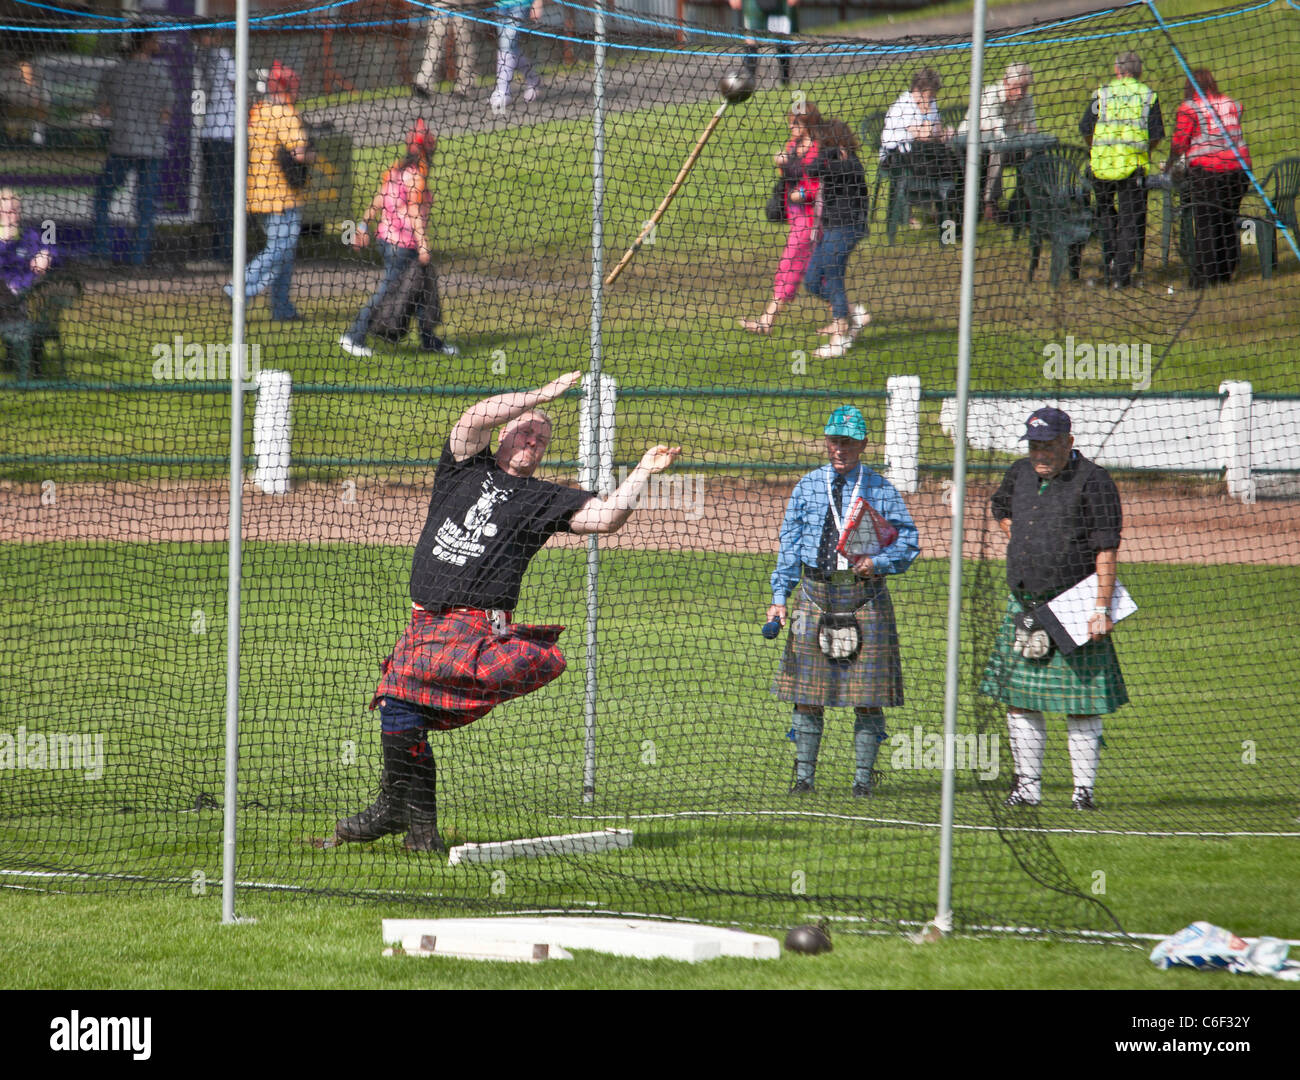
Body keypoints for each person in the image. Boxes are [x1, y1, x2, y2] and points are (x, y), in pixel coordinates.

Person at [334, 373, 682, 851]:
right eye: (525, 431)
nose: (532, 441)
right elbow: (473, 416)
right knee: (401, 709)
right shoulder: (461, 466)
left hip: (474, 625)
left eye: (541, 439)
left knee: (400, 693)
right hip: (426, 621)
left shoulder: (545, 497)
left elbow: (606, 518)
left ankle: (396, 810)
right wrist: (539, 398)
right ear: (504, 433)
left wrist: (643, 470)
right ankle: (416, 829)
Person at [979, 407, 1127, 811]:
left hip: (1075, 604)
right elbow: (1001, 508)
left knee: (1082, 704)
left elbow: (1106, 547)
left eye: (1048, 445)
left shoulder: (1094, 481)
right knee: (1020, 699)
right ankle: (1027, 788)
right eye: (1034, 445)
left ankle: (1083, 791)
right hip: (1025, 603)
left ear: (1068, 442)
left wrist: (1101, 607)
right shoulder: (1019, 472)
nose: (1039, 453)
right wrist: (1026, 537)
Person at [767, 405, 919, 797]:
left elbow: (909, 541)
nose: (841, 449)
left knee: (868, 698)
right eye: (835, 441)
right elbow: (789, 543)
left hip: (865, 597)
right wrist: (779, 596)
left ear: (864, 444)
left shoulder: (881, 488)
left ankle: (863, 782)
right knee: (805, 695)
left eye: (849, 442)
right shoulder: (808, 485)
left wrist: (879, 561)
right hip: (813, 595)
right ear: (826, 441)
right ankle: (803, 779)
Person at [340, 119, 457, 358]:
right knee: (388, 292)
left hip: (387, 241)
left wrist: (362, 227)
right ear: (428, 150)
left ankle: (430, 341)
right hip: (403, 246)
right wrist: (424, 245)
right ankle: (353, 336)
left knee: (424, 292)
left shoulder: (396, 169)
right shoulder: (416, 176)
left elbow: (379, 199)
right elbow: (414, 212)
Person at [226, 61, 312, 322]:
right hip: (282, 196)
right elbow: (299, 154)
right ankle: (238, 288)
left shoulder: (258, 110)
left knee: (284, 253)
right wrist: (312, 152)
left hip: (257, 193)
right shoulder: (286, 114)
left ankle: (281, 308)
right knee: (280, 250)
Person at [738, 102, 826, 335]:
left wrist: (803, 194)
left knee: (791, 264)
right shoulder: (792, 145)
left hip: (812, 217)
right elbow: (786, 177)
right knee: (817, 271)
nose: (791, 126)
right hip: (795, 214)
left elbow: (820, 185)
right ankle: (850, 315)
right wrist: (780, 163)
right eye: (790, 121)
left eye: (796, 122)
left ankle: (767, 321)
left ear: (808, 124)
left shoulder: (819, 150)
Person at [1080, 50, 1164, 289]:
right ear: (1139, 72)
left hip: (1101, 165)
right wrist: (1146, 150)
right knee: (1129, 221)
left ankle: (1109, 267)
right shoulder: (1148, 96)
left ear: (1117, 70)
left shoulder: (1102, 94)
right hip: (1131, 166)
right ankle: (1121, 277)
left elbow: (1085, 126)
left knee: (1106, 215)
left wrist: (1095, 148)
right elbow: (1157, 134)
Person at [91, 30, 173, 266]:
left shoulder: (115, 73)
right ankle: (137, 259)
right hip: (151, 147)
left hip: (122, 144)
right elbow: (166, 115)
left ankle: (101, 253)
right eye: (155, 39)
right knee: (145, 207)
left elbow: (103, 110)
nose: (158, 43)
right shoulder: (161, 74)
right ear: (147, 42)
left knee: (102, 199)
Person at [1169, 69, 1252, 288]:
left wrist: (1170, 165)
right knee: (1226, 220)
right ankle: (1225, 272)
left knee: (1206, 225)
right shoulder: (1231, 103)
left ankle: (1204, 279)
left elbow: (1179, 143)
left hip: (1208, 173)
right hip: (1239, 172)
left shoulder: (1189, 108)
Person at [802, 119, 871, 359]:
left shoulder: (851, 165)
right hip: (830, 229)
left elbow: (815, 169)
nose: (818, 145)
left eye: (822, 141)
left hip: (846, 229)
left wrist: (831, 153)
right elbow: (811, 168)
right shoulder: (832, 161)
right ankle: (855, 314)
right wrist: (830, 152)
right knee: (811, 280)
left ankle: (839, 338)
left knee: (833, 277)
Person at [958, 62, 1038, 223]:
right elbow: (989, 127)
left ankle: (1027, 199)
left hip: (1005, 146)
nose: (1021, 92)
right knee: (999, 148)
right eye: (1016, 87)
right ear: (1005, 82)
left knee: (1034, 150)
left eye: (1024, 87)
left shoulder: (1026, 99)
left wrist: (1029, 137)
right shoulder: (991, 94)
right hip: (970, 148)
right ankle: (990, 203)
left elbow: (1031, 129)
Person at [880, 67, 958, 232]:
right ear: (918, 90)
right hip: (897, 159)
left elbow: (937, 131)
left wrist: (942, 132)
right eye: (930, 95)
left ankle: (946, 212)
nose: (932, 99)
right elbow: (925, 135)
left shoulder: (930, 102)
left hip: (922, 156)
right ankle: (938, 206)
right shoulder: (904, 105)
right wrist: (928, 114)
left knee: (952, 163)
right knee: (944, 164)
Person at [0, 187, 56, 376]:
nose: (10, 217)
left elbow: (48, 250)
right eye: (4, 212)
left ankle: (22, 358)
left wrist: (45, 254)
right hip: (5, 295)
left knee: (17, 303)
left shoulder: (29, 236)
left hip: (23, 297)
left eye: (13, 211)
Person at [196, 28, 236, 266]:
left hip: (223, 137)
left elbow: (235, 86)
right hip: (213, 136)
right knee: (218, 197)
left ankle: (223, 252)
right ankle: (221, 250)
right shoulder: (206, 57)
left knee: (222, 197)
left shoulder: (220, 56)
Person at [413, 0, 479, 100]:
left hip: (463, 4)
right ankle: (424, 82)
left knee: (464, 40)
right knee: (435, 37)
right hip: (441, 2)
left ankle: (465, 84)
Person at [489, 0, 543, 117]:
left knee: (507, 43)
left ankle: (503, 90)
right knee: (510, 47)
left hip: (521, 4)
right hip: (501, 5)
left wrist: (538, 3)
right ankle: (533, 78)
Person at [726, 0, 797, 89]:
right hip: (753, 3)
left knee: (781, 37)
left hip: (780, 4)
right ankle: (749, 82)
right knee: (751, 38)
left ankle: (785, 80)